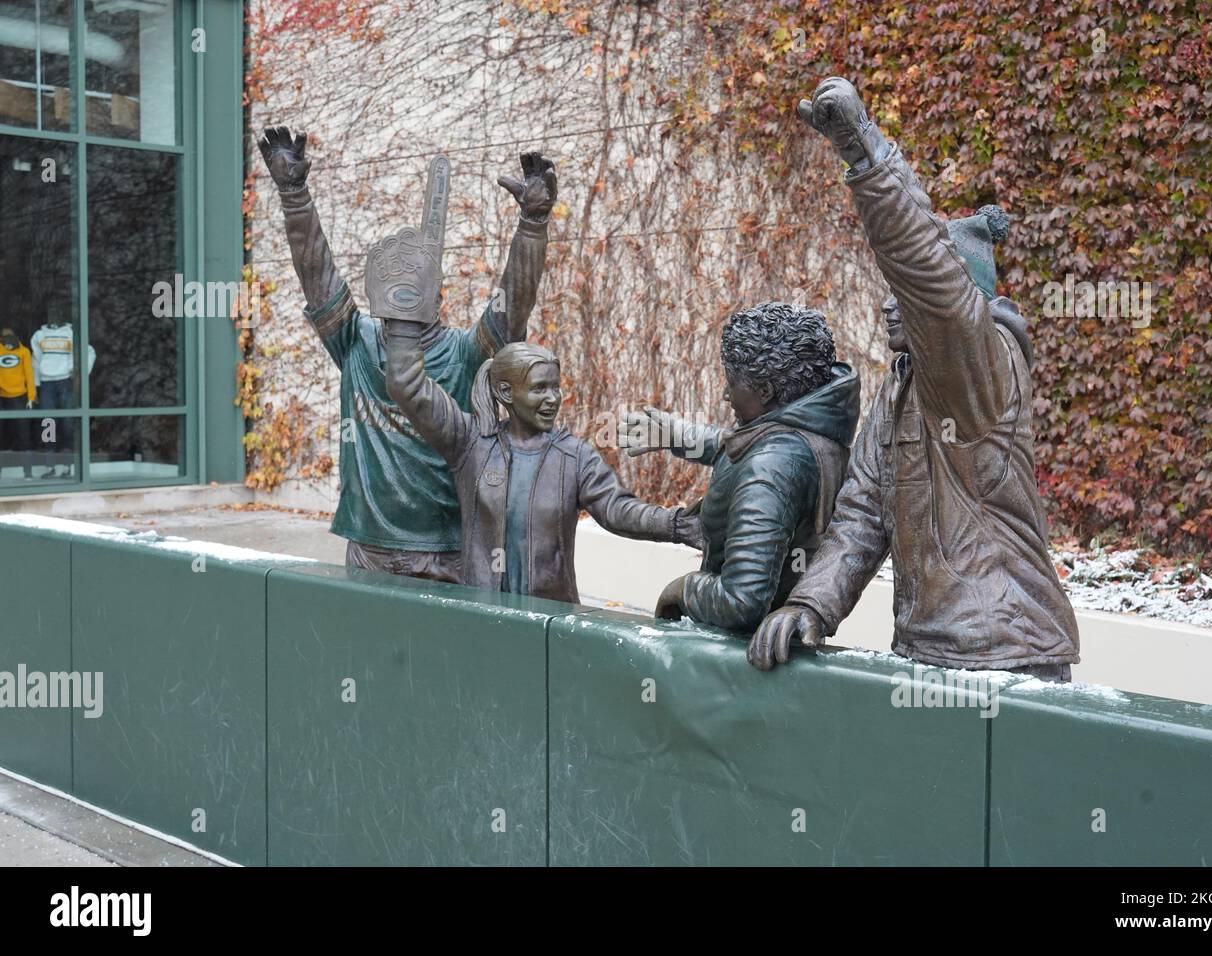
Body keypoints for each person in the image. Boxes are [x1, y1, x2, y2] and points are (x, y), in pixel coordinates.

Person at [750, 77, 1080, 679]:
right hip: (929, 649)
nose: (889, 305)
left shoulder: (983, 364)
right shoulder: (902, 386)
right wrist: (812, 603)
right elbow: (861, 512)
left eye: (907, 296)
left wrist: (866, 154)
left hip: (1001, 654)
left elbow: (932, 283)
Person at [258, 126, 555, 581]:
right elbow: (316, 272)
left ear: (437, 293)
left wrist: (533, 224)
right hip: (370, 546)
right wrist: (294, 195)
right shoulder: (356, 341)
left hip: (447, 551)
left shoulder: (464, 353)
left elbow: (513, 304)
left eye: (412, 278)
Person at [369, 221, 700, 602]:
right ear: (506, 392)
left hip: (550, 622)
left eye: (556, 388)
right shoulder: (470, 443)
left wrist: (676, 523)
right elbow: (406, 385)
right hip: (483, 615)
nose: (553, 399)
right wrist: (403, 313)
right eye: (539, 389)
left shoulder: (574, 457)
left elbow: (617, 510)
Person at [618, 302, 859, 632]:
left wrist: (683, 588)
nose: (725, 394)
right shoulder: (817, 426)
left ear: (765, 390)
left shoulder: (771, 468)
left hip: (743, 659)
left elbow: (740, 602)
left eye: (732, 382)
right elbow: (748, 442)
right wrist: (677, 435)